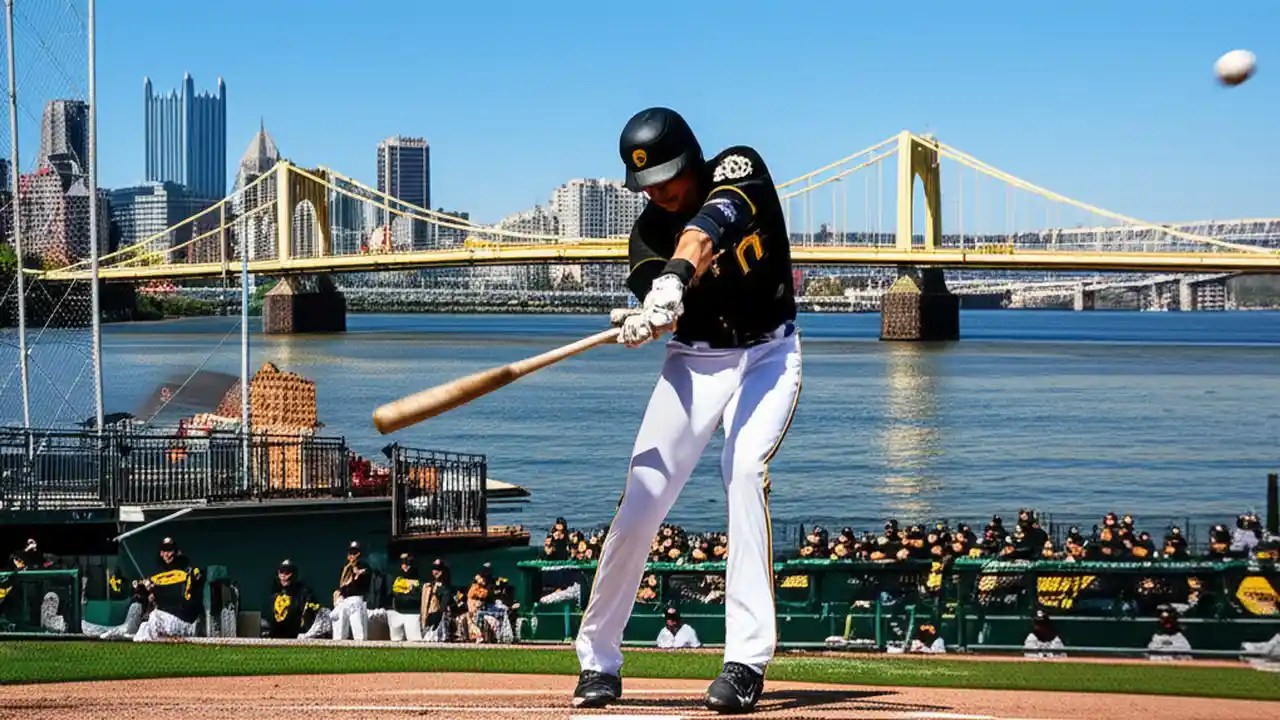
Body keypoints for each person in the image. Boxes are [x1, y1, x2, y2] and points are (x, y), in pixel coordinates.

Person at [573, 107, 801, 714]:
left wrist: (677, 277)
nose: (661, 192)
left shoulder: (738, 166)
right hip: (695, 360)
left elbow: (709, 228)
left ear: (691, 160)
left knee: (744, 469)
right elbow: (661, 293)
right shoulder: (645, 235)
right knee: (642, 494)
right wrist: (648, 316)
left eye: (669, 178)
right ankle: (598, 660)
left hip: (768, 354)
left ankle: (745, 662)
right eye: (648, 185)